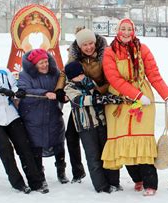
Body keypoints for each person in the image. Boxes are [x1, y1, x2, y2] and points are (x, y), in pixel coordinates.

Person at [102, 18, 168, 196]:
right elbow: (114, 79)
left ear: (133, 31)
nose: (126, 32)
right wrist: (136, 95)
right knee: (123, 141)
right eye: (123, 29)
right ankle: (138, 179)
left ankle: (150, 183)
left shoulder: (143, 49)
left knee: (142, 141)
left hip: (144, 104)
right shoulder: (109, 51)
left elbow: (154, 75)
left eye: (129, 29)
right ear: (117, 30)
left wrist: (167, 96)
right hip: (119, 102)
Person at [0, 46, 48, 194]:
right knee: (5, 148)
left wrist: (17, 93)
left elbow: (14, 87)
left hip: (11, 115)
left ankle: (36, 182)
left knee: (24, 147)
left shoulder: (4, 72)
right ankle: (17, 183)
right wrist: (0, 93)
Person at [55, 27, 109, 183]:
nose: (88, 47)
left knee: (102, 137)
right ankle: (78, 172)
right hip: (82, 101)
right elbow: (65, 72)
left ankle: (108, 173)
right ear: (79, 46)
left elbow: (110, 78)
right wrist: (59, 89)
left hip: (99, 98)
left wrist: (99, 91)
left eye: (90, 43)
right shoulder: (75, 56)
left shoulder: (104, 55)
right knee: (71, 135)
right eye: (84, 45)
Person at [64, 61, 125, 193]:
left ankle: (114, 182)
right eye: (76, 76)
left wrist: (111, 98)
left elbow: (99, 94)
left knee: (108, 153)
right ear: (70, 77)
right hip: (86, 127)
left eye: (81, 74)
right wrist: (100, 99)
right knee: (93, 158)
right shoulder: (69, 88)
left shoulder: (89, 81)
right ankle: (102, 186)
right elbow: (81, 100)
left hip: (101, 123)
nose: (80, 77)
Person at [18, 49, 67, 184]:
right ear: (34, 64)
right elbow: (25, 90)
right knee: (36, 146)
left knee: (59, 144)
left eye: (46, 61)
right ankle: (40, 174)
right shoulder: (25, 75)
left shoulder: (55, 73)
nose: (45, 65)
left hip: (53, 114)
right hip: (34, 117)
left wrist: (63, 95)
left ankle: (61, 171)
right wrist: (44, 93)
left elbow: (62, 86)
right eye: (41, 63)